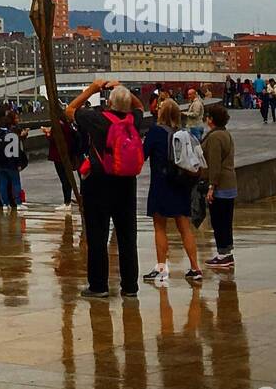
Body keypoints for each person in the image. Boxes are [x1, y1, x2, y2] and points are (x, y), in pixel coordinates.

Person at [66, 79, 143, 299]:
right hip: (126, 183)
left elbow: (70, 110)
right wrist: (123, 88)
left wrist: (92, 89)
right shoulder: (133, 121)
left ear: (108, 103)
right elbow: (140, 107)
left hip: (98, 183)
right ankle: (130, 286)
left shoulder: (97, 119)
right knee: (127, 236)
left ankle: (98, 285)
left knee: (97, 235)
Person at [141, 97, 203, 285]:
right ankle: (195, 268)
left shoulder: (155, 132)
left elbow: (142, 155)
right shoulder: (184, 133)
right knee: (185, 228)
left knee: (160, 227)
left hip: (161, 184)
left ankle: (161, 268)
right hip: (181, 184)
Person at [201, 102, 237, 268]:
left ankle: (223, 254)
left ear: (211, 119)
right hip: (230, 183)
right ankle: (227, 253)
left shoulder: (215, 137)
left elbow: (214, 164)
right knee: (226, 220)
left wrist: (211, 186)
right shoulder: (225, 134)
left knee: (218, 221)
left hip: (220, 185)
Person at [43, 102, 82, 208]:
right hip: (67, 155)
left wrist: (47, 134)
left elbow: (54, 140)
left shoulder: (58, 126)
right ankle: (70, 200)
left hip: (59, 156)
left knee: (64, 179)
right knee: (68, 178)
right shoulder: (67, 125)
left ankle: (67, 202)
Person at [0, 108, 27, 209]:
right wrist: (19, 163)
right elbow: (15, 152)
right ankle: (18, 203)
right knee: (15, 183)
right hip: (11, 163)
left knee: (3, 183)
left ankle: (5, 204)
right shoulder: (12, 135)